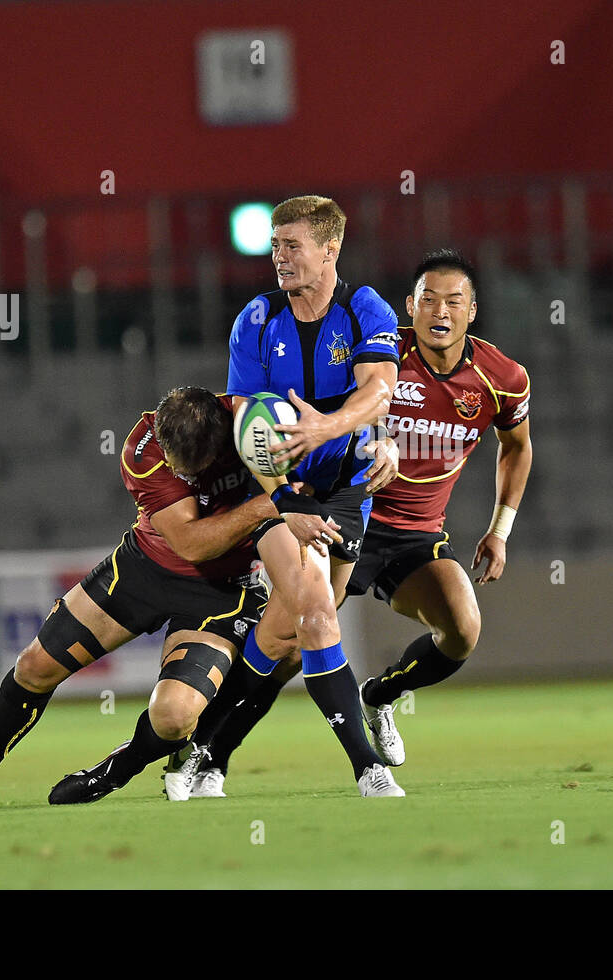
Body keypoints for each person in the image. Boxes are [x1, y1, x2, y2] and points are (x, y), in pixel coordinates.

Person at [166, 248, 532, 798]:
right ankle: (212, 755)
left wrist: (499, 529)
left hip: (414, 536)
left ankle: (379, 696)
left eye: (454, 301)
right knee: (292, 641)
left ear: (472, 310)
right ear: (409, 305)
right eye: (427, 298)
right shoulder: (378, 347)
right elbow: (332, 401)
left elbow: (517, 446)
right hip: (342, 509)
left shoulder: (501, 377)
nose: (440, 310)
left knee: (462, 628)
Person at [0, 387, 318, 808]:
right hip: (143, 570)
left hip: (223, 593)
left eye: (197, 470)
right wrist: (271, 503)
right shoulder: (143, 449)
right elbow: (192, 545)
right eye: (180, 469)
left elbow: (324, 443)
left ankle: (119, 768)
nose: (187, 477)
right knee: (33, 667)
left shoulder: (254, 424)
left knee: (174, 717)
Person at [210, 194, 406, 797]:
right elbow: (246, 418)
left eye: (291, 245)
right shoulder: (257, 319)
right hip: (277, 491)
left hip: (347, 491)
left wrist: (331, 428)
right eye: (274, 245)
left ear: (330, 249)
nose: (279, 257)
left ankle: (207, 752)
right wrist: (282, 498)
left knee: (284, 635)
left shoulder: (364, 308)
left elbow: (380, 392)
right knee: (318, 614)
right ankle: (366, 767)